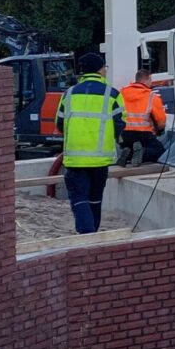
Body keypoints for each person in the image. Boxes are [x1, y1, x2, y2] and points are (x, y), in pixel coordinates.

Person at [56, 52, 124, 234]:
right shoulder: (113, 94)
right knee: (95, 198)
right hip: (100, 160)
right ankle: (92, 234)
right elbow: (120, 124)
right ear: (100, 70)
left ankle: (86, 234)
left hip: (75, 159)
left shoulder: (69, 94)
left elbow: (59, 123)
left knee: (79, 199)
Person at [119, 68, 168, 167]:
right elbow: (161, 121)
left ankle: (128, 153)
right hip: (143, 134)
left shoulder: (122, 93)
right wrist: (159, 130)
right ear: (147, 79)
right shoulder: (152, 96)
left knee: (130, 147)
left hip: (124, 134)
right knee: (159, 151)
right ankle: (143, 152)